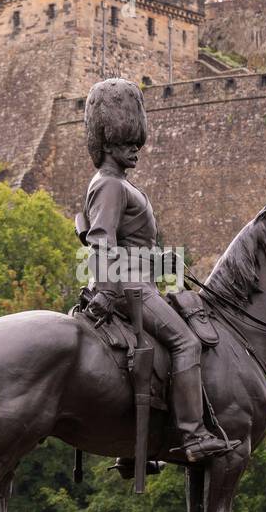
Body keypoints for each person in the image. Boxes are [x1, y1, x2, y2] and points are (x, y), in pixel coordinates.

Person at [79, 79, 237, 462]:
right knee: (186, 343)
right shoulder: (111, 186)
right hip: (129, 289)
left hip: (137, 280)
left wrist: (169, 265)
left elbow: (134, 248)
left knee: (170, 342)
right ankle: (193, 434)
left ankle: (141, 439)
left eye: (136, 142)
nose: (135, 149)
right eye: (126, 143)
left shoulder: (117, 184)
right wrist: (110, 292)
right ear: (107, 142)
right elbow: (102, 242)